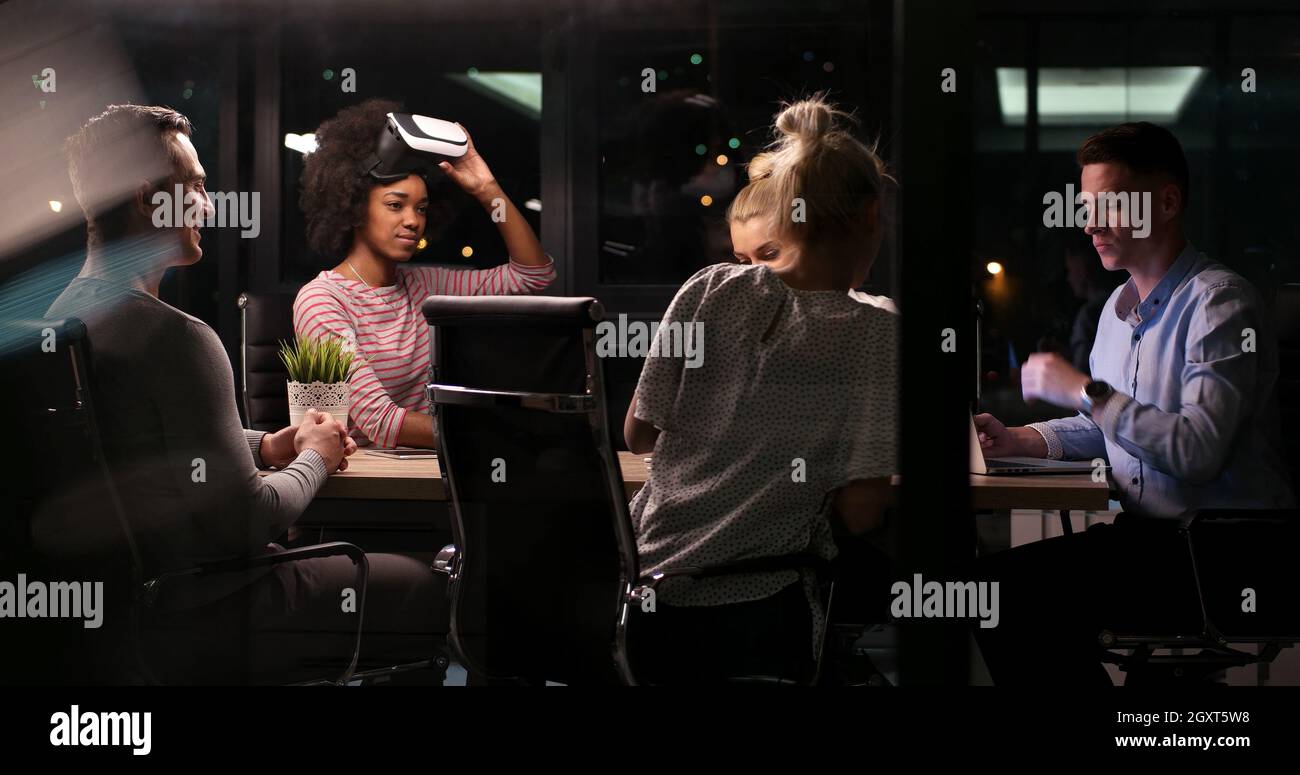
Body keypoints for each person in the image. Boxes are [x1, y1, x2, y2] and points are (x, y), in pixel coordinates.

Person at [47, 104, 443, 683]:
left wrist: (265, 446)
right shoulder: (178, 339)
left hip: (127, 614)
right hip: (218, 605)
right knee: (442, 586)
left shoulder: (64, 318)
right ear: (147, 200)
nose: (209, 206)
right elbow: (249, 520)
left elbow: (137, 443)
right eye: (196, 187)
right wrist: (316, 456)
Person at [972, 121, 1295, 685]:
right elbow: (1111, 427)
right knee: (998, 593)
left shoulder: (1221, 306)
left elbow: (1196, 451)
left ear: (1167, 202)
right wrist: (1019, 439)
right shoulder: (1115, 313)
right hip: (1155, 543)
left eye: (1109, 204)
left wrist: (1084, 390)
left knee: (1003, 598)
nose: (1089, 224)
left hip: (1222, 554)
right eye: (1085, 207)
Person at [622, 95, 899, 684]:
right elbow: (861, 512)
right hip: (764, 612)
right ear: (871, 215)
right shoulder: (876, 334)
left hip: (645, 597)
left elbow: (639, 433)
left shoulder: (706, 289)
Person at [293, 99, 556, 449]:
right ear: (355, 210)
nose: (412, 221)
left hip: (433, 464)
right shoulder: (322, 300)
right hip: (365, 473)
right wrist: (490, 433)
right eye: (395, 205)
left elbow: (532, 275)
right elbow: (381, 421)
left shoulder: (426, 286)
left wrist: (486, 189)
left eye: (421, 208)